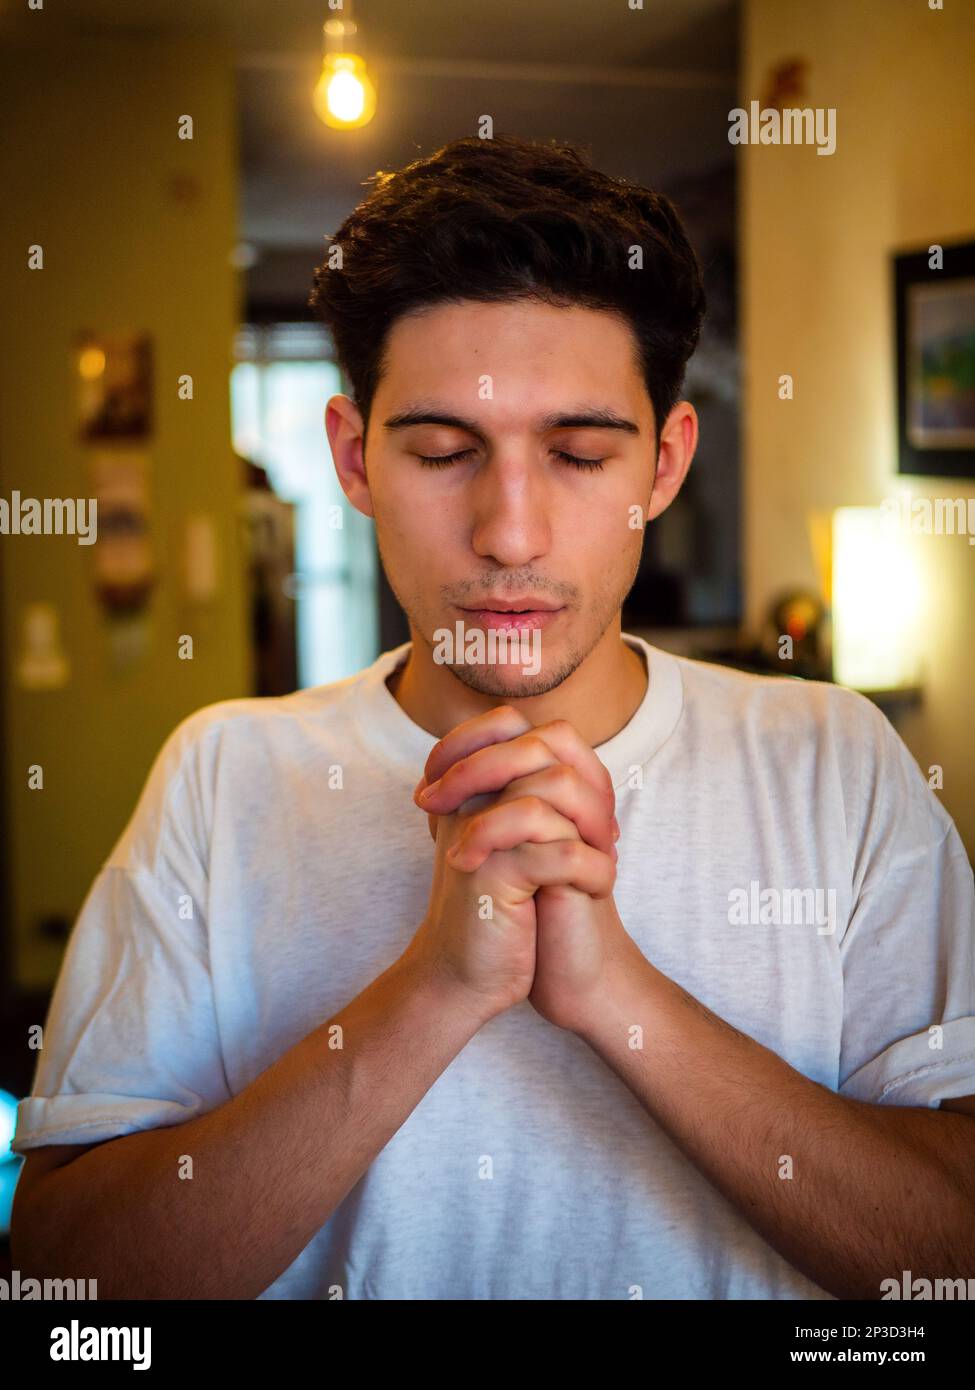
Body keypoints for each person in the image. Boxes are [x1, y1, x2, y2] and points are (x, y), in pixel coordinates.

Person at [11, 135, 975, 1301]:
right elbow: (66, 1293)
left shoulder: (837, 764)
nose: (509, 533)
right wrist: (435, 989)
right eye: (442, 450)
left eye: (577, 453)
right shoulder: (223, 776)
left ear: (664, 466)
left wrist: (619, 996)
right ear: (354, 459)